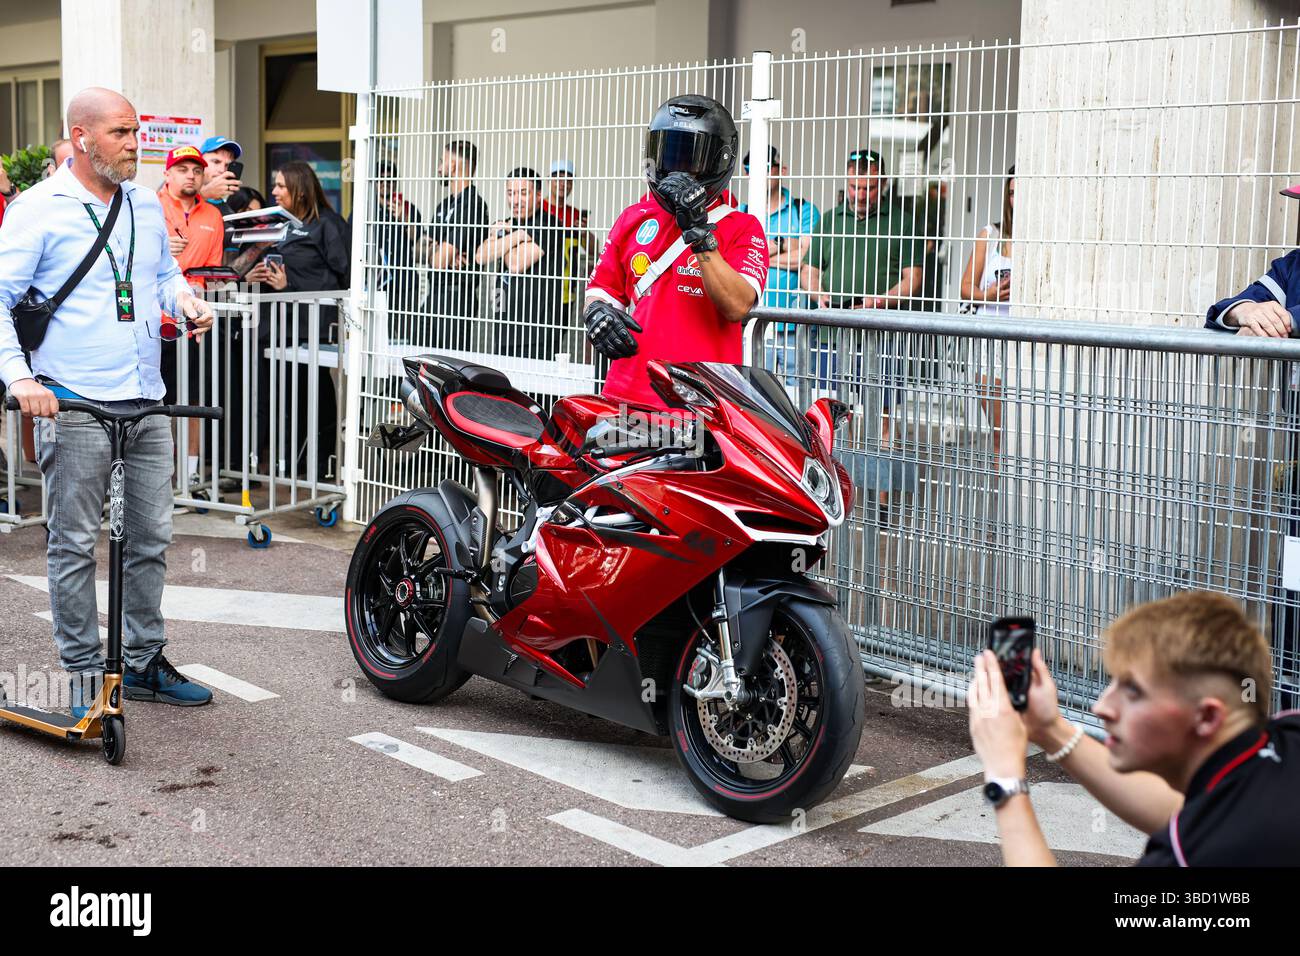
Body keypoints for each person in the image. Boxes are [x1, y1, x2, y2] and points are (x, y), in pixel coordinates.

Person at [0, 87, 215, 715]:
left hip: (145, 398)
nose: (135, 143)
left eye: (137, 131)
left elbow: (159, 278)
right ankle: (83, 674)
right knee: (72, 543)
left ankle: (144, 661)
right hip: (70, 399)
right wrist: (21, 379)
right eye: (122, 132)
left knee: (150, 537)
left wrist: (185, 303)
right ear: (83, 135)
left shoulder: (145, 204)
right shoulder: (39, 208)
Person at [967, 591, 1300, 866]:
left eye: (1133, 691)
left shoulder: (1193, 855)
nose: (1101, 707)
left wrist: (1005, 777)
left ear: (1208, 718)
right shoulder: (1288, 734)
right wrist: (1050, 729)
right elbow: (1184, 811)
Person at [583, 94, 768, 410]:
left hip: (705, 403)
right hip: (627, 394)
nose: (677, 171)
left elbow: (737, 305)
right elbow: (602, 291)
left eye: (690, 160)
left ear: (718, 161)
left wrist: (699, 232)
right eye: (670, 156)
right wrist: (597, 314)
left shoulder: (743, 227)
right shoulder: (633, 217)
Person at [245, 160, 350, 478]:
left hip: (311, 328)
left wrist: (289, 286)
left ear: (300, 191)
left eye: (280, 186)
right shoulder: (283, 224)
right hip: (278, 326)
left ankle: (321, 465)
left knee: (314, 395)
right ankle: (289, 461)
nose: (273, 191)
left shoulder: (328, 224)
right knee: (286, 397)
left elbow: (343, 278)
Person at [157, 145, 225, 486]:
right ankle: (155, 474)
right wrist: (160, 251)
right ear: (168, 173)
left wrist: (201, 307)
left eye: (196, 170)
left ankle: (191, 473)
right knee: (153, 399)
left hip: (193, 321)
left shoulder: (213, 215)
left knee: (194, 397)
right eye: (183, 169)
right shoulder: (149, 207)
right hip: (153, 321)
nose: (191, 175)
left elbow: (212, 273)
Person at [738, 145, 819, 383]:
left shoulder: (802, 209)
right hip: (752, 322)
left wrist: (768, 250)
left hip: (794, 323)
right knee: (754, 392)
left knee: (798, 393)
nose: (760, 175)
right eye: (751, 170)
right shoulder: (741, 213)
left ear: (781, 170)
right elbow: (737, 263)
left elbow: (807, 258)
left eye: (766, 168)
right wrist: (787, 246)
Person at [475, 166, 566, 359]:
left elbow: (515, 264)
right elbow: (481, 255)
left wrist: (503, 237)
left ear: (539, 195)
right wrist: (519, 235)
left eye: (523, 193)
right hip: (504, 327)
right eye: (511, 193)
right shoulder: (509, 223)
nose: (515, 200)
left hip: (537, 332)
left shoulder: (549, 223)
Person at [958, 166, 1014, 458]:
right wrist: (990, 294)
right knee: (999, 434)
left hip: (1025, 346)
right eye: (1013, 193)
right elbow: (965, 287)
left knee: (1024, 434)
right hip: (989, 342)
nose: (1017, 200)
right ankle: (1002, 500)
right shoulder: (990, 235)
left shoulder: (1044, 240)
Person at [427, 140, 489, 348]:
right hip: (434, 292)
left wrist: (440, 251)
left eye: (442, 161)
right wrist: (439, 250)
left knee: (448, 367)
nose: (439, 168)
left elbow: (438, 261)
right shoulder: (444, 204)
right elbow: (422, 247)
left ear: (453, 165)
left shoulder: (473, 204)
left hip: (456, 295)